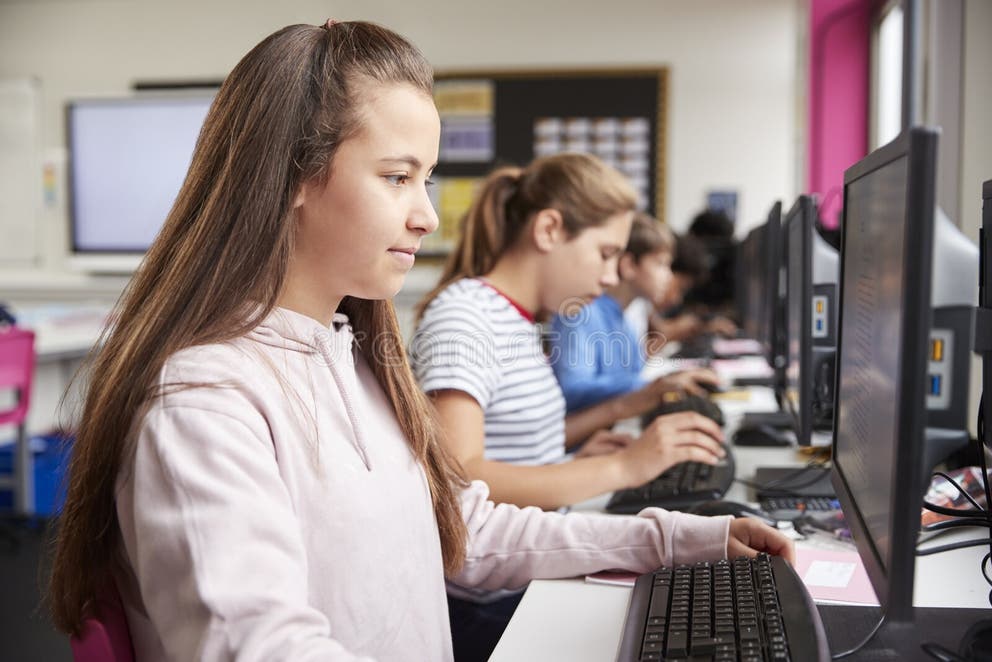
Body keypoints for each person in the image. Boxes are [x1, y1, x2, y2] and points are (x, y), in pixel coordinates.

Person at [48, 22, 793, 662]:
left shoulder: (355, 357)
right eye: (398, 178)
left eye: (427, 180)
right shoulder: (204, 404)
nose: (428, 216)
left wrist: (674, 540)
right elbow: (265, 647)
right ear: (293, 178)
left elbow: (460, 529)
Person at [410, 154, 745, 660]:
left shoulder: (512, 318)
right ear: (549, 229)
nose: (612, 276)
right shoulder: (464, 318)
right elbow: (461, 474)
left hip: (522, 571)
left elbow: (509, 443)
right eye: (606, 253)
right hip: (486, 601)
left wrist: (576, 458)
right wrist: (621, 468)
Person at [548, 212, 720, 415]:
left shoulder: (625, 321)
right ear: (629, 265)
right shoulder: (581, 313)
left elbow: (635, 375)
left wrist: (665, 382)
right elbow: (573, 388)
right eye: (660, 264)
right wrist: (654, 386)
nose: (668, 276)